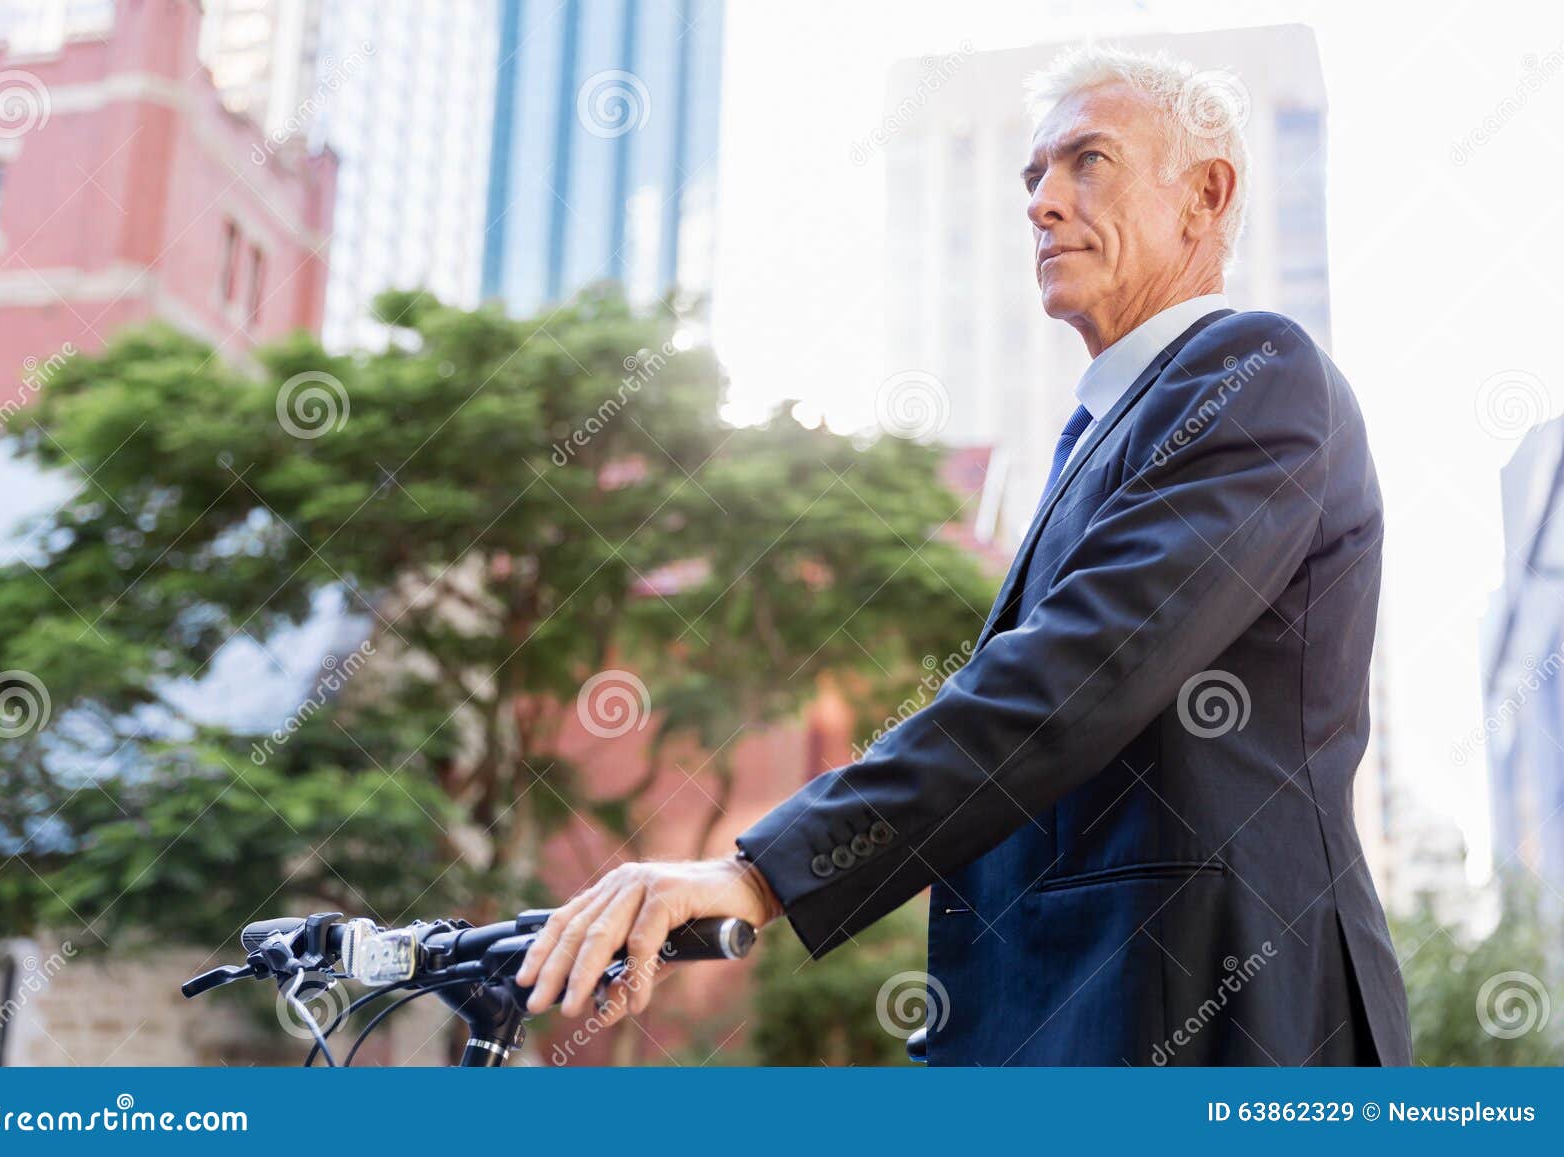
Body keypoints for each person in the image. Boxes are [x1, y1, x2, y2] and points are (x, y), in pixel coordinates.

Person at [516, 44, 1413, 1066]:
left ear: (1204, 195)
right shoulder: (1109, 429)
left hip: (1215, 1013)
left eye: (1086, 162)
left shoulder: (1254, 373)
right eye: (1031, 175)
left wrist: (761, 874)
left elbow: (1081, 670)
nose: (1040, 202)